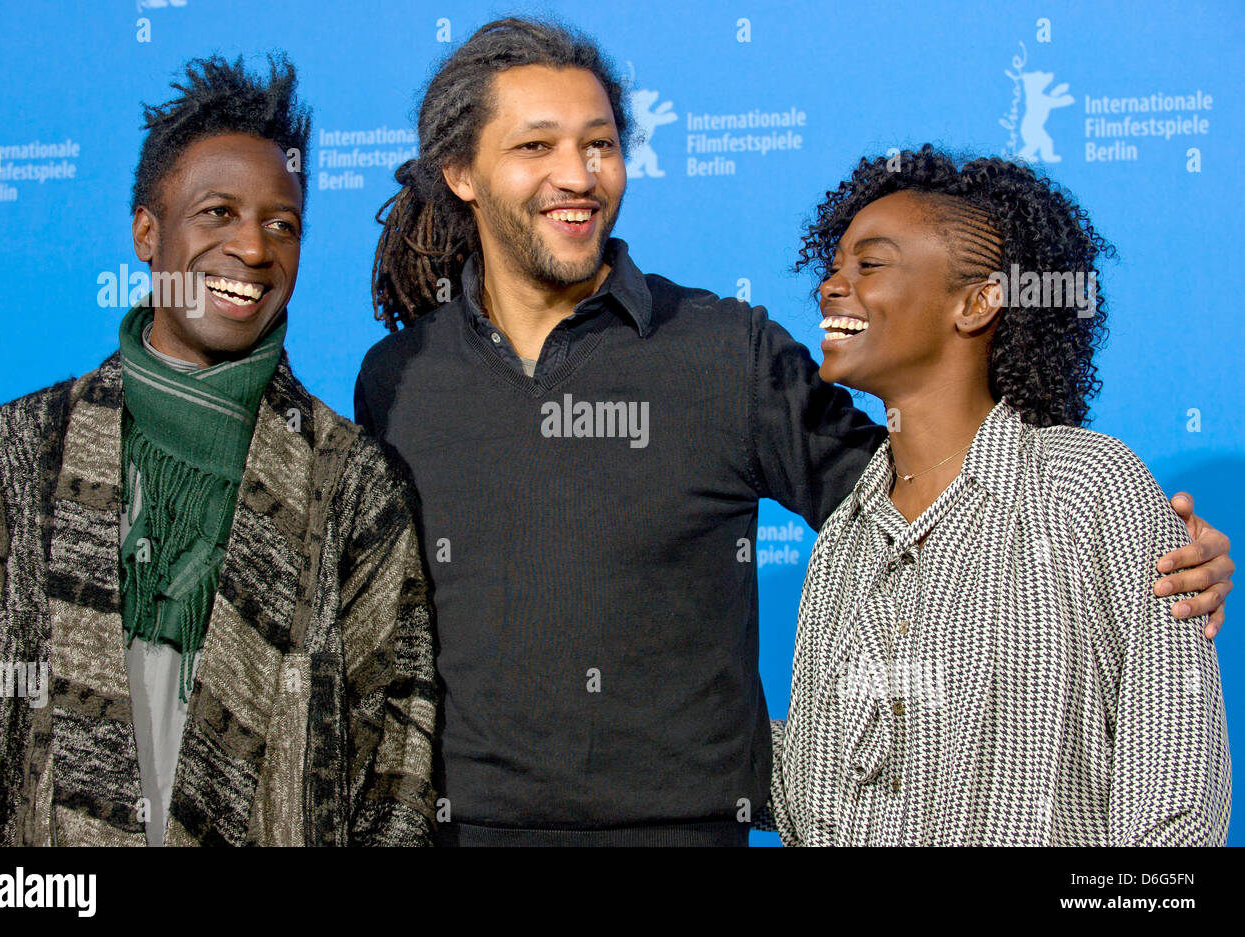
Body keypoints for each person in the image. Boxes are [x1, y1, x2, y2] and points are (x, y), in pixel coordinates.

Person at [355, 17, 1232, 845]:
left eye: (600, 144)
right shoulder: (397, 382)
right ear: (460, 172)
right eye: (536, 146)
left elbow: (933, 492)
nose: (578, 174)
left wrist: (1146, 559)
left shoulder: (724, 352)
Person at [0, 54, 438, 846]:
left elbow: (398, 766)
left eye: (282, 224)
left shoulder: (352, 483)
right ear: (147, 231)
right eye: (217, 213)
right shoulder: (10, 455)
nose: (253, 248)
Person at [765, 146, 1231, 846]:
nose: (831, 287)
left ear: (977, 301)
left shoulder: (1090, 490)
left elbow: (1174, 806)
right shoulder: (844, 540)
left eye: (870, 265)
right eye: (833, 268)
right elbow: (814, 790)